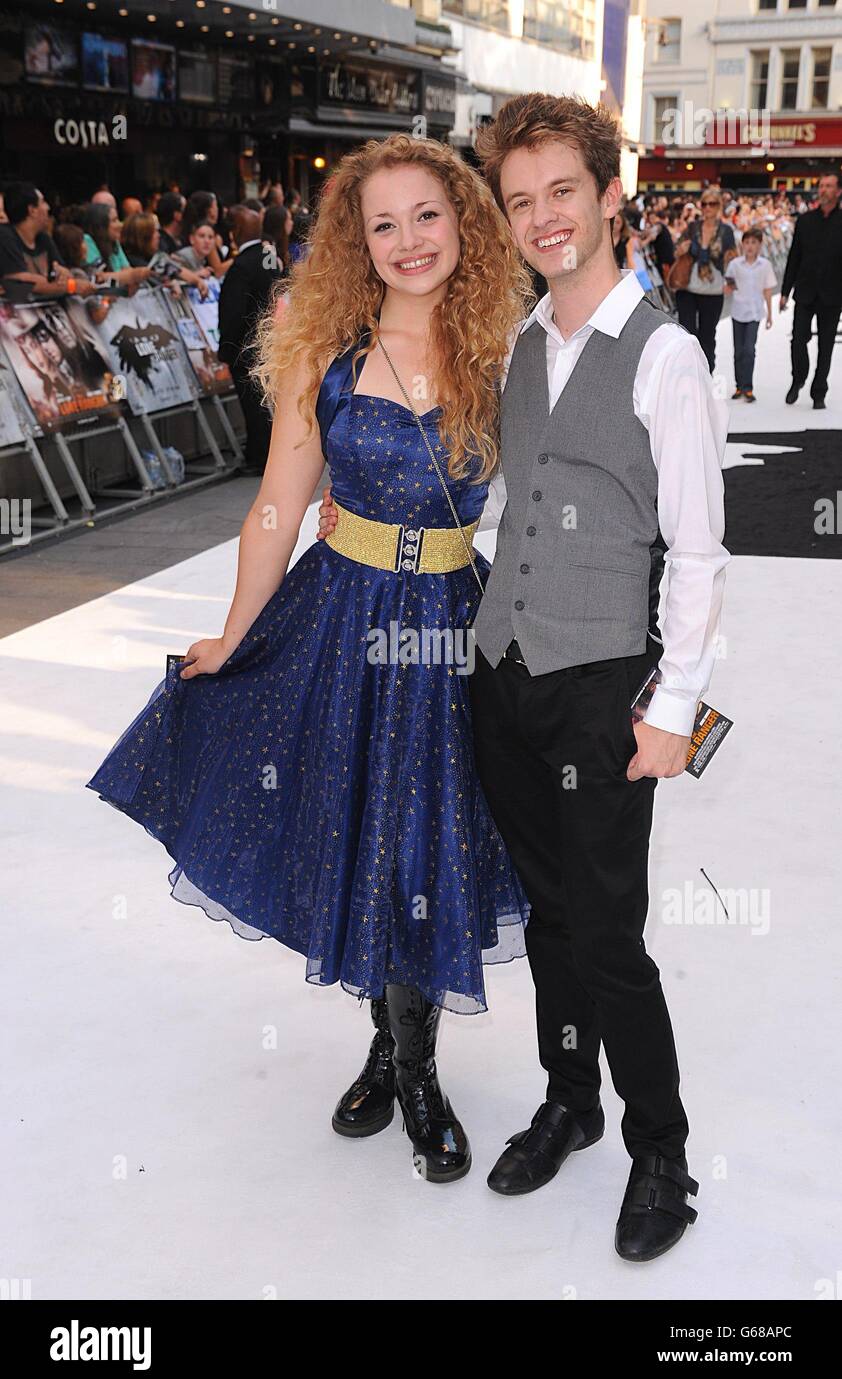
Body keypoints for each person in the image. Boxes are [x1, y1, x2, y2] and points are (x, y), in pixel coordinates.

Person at [319, 95, 730, 1261]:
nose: (544, 218)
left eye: (564, 193)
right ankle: (570, 1097)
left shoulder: (668, 359)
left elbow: (697, 550)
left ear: (610, 197)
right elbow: (497, 496)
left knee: (608, 932)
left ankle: (661, 1153)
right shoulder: (522, 343)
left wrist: (672, 707)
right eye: (520, 201)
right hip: (503, 674)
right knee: (549, 916)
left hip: (606, 688)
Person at [86, 134, 532, 1185]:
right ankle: (389, 1045)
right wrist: (236, 632)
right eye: (382, 223)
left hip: (450, 629)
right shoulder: (325, 358)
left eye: (427, 214)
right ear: (354, 241)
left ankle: (412, 1069)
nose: (408, 240)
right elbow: (277, 506)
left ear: (463, 220)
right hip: (340, 619)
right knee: (362, 825)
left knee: (426, 837)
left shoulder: (508, 350)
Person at [217, 205, 281, 475]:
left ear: (236, 232)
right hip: (269, 338)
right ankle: (265, 451)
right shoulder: (268, 255)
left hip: (246, 345)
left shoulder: (241, 266)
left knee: (253, 402)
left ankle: (258, 456)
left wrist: (226, 348)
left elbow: (233, 312)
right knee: (266, 401)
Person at [780, 170, 842, 409]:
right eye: (821, 185)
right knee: (798, 339)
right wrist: (785, 291)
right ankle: (798, 379)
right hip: (805, 292)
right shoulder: (805, 221)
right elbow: (794, 257)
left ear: (837, 191)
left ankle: (819, 392)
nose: (823, 190)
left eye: (828, 186)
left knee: (825, 346)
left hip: (833, 295)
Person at [673, 186, 737, 372]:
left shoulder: (726, 231)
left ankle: (706, 376)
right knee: (687, 334)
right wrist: (682, 249)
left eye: (712, 204)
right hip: (688, 288)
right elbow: (676, 250)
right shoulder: (693, 228)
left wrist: (731, 282)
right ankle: (688, 374)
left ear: (719, 206)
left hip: (713, 289)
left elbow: (732, 259)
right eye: (704, 204)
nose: (708, 207)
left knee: (708, 336)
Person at [0, 183, 83, 299]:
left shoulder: (43, 238)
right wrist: (72, 286)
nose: (48, 207)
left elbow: (65, 275)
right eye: (43, 202)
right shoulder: (4, 236)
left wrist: (63, 277)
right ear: (32, 210)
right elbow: (19, 280)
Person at [724, 226, 776, 402]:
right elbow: (728, 288)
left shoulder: (765, 265)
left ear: (760, 245)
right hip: (738, 311)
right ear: (742, 244)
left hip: (755, 312)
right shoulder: (735, 264)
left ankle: (748, 387)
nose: (750, 246)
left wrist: (770, 313)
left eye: (753, 242)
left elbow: (767, 289)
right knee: (738, 351)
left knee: (749, 350)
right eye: (746, 242)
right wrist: (728, 285)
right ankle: (739, 385)